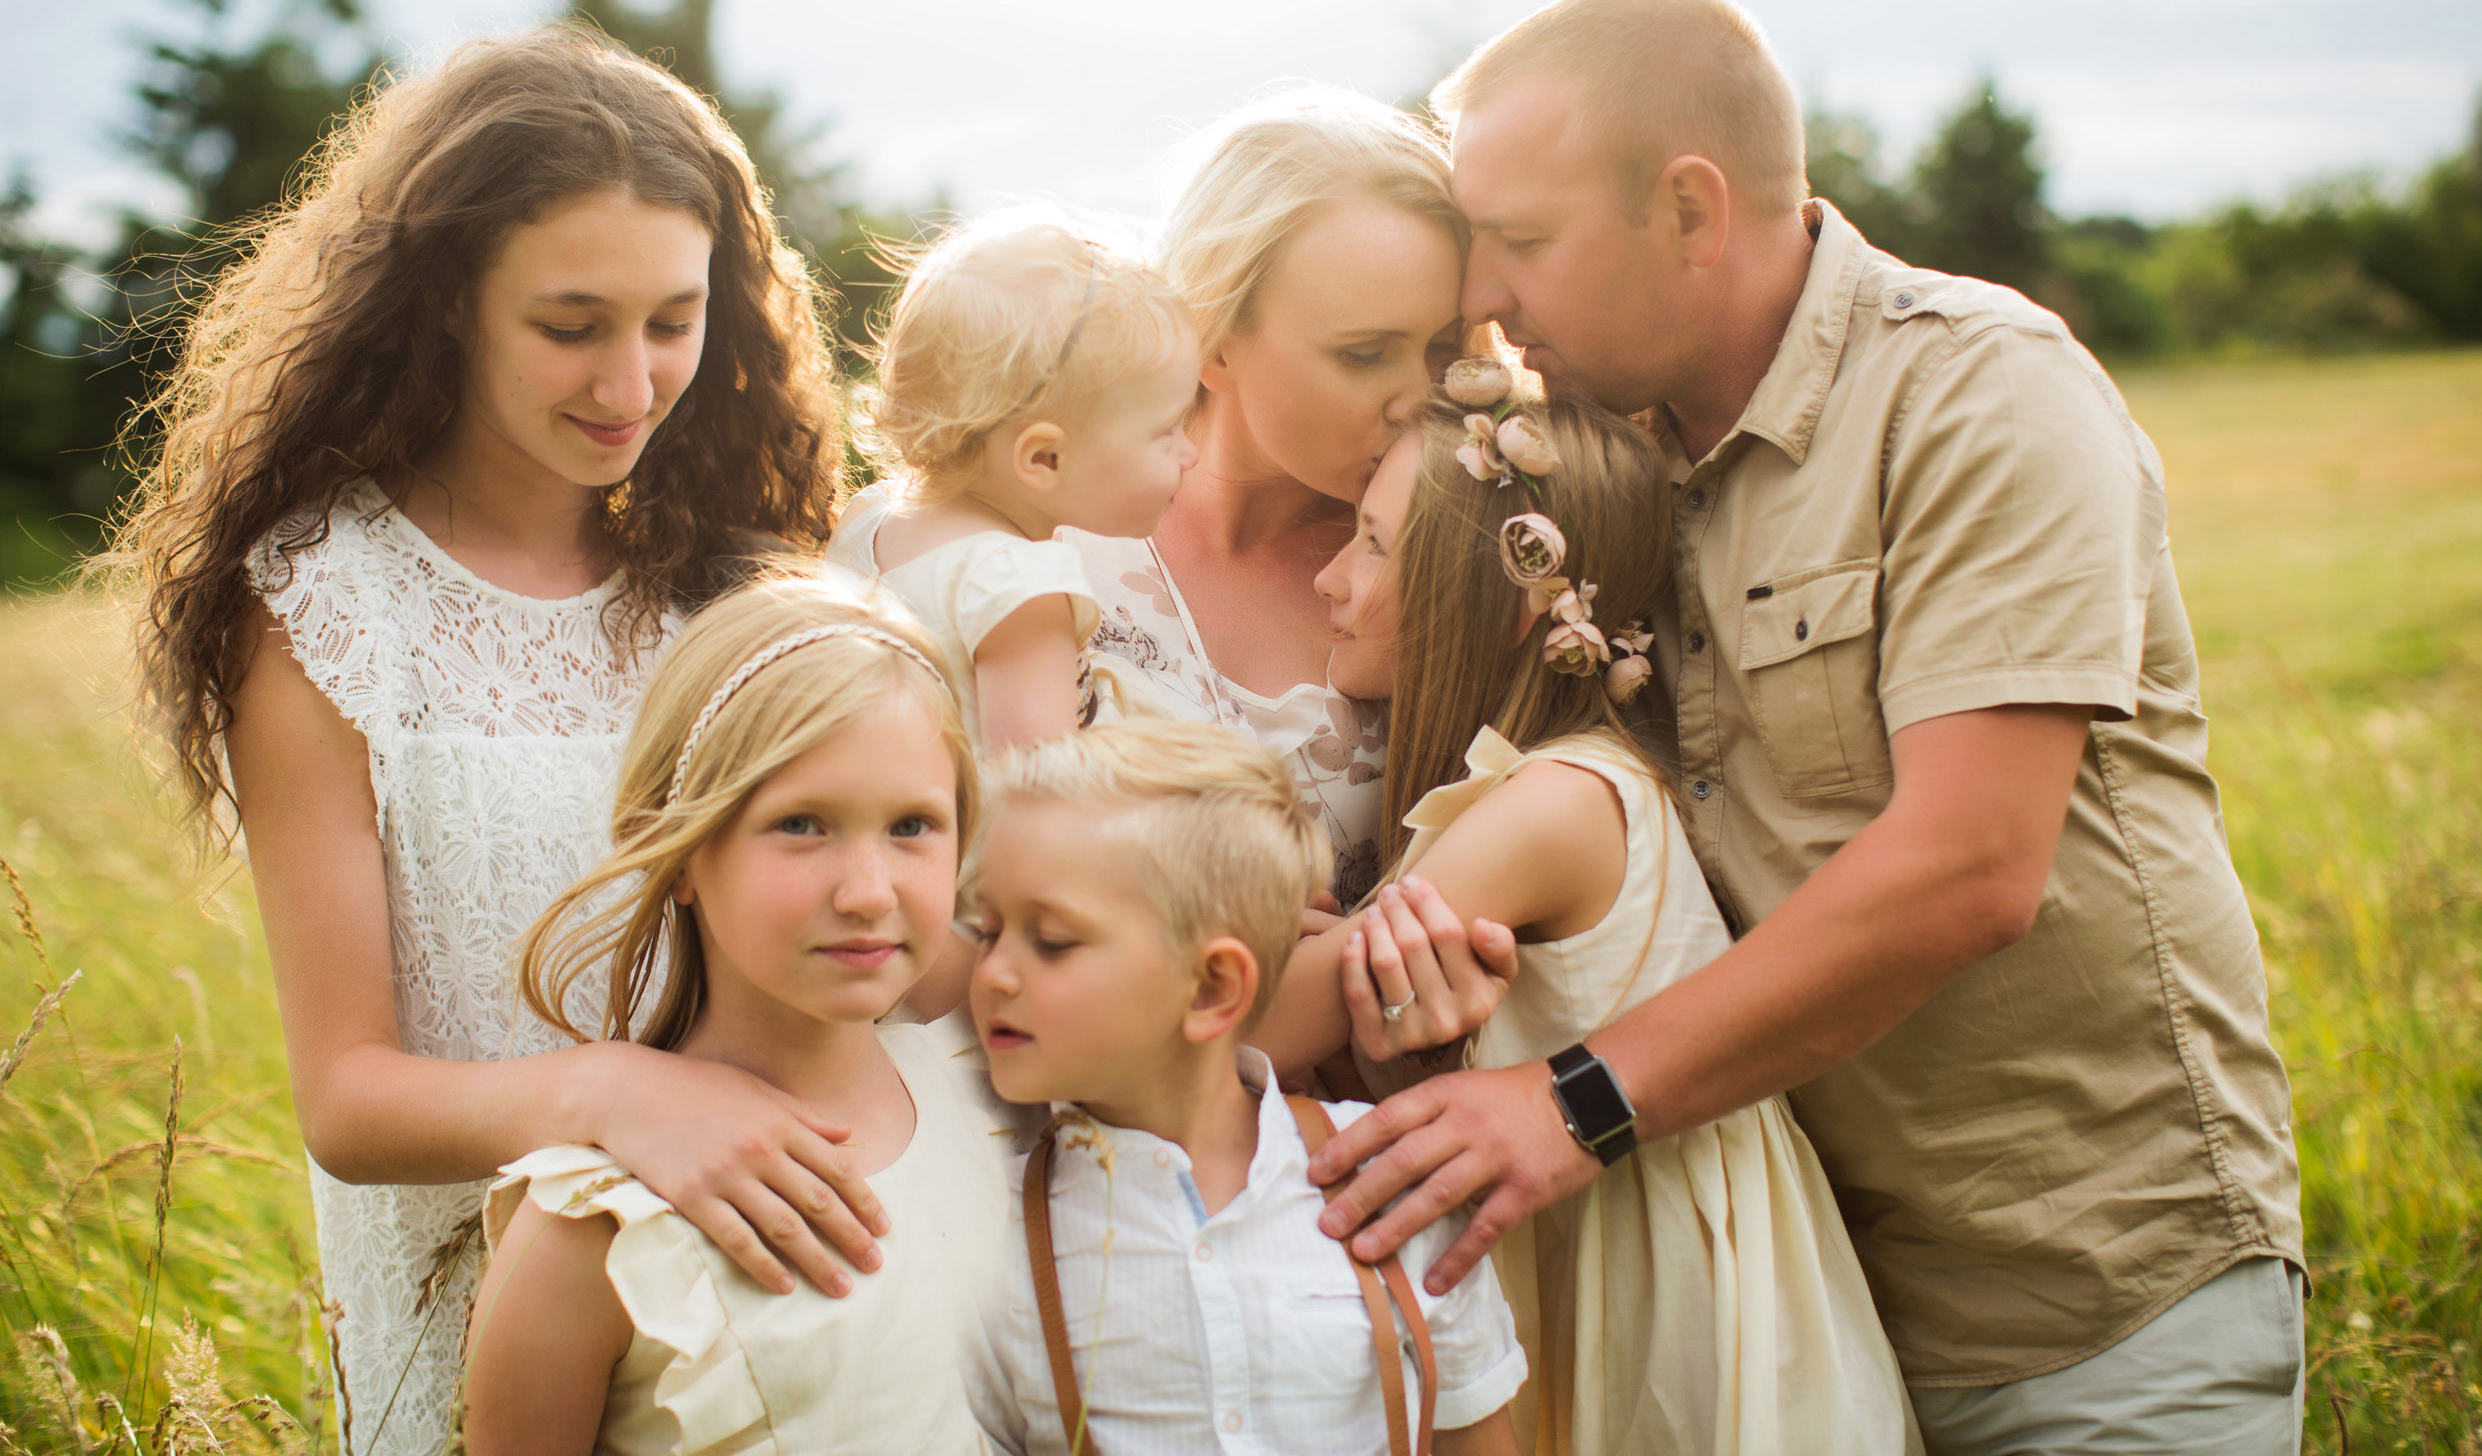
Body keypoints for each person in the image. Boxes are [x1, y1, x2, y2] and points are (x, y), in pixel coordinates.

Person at [1311, 0, 2306, 1455]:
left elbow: (1970, 866)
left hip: (2090, 1297)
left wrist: (1568, 1102)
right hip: (1797, 1300)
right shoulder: (1590, 467)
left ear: (1693, 209)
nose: (1485, 298)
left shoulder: (1979, 393)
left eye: (1520, 240)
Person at [105, 26, 879, 1455]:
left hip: (752, 1278)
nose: (634, 380)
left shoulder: (725, 585)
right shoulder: (329, 604)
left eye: (673, 318)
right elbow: (350, 1097)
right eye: (570, 324)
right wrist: (624, 1095)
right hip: (473, 1326)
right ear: (447, 302)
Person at [1260, 377, 1917, 1454]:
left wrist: (1300, 945)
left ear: (1515, 595)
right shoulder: (1519, 788)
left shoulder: (1554, 806)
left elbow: (1264, 1022)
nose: (1332, 578)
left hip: (1655, 1282)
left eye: (1376, 546)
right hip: (1583, 1238)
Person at [464, 577, 1009, 1455]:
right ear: (676, 851)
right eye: (801, 823)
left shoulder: (997, 1104)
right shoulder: (589, 1235)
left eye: (913, 825)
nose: (869, 891)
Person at [964, 720, 1528, 1456]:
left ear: (1212, 989)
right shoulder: (989, 1237)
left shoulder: (1392, 1179)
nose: (994, 974)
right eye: (985, 931)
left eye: (1052, 940)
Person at [1070, 88, 1467, 909]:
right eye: (1366, 354)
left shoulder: (1456, 567)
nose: (1418, 396)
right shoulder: (1037, 532)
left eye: (1445, 346)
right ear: (1213, 343)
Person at [832, 210, 1200, 752]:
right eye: (1167, 430)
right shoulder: (1020, 588)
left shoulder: (871, 518)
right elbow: (1039, 790)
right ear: (1044, 458)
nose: (1190, 452)